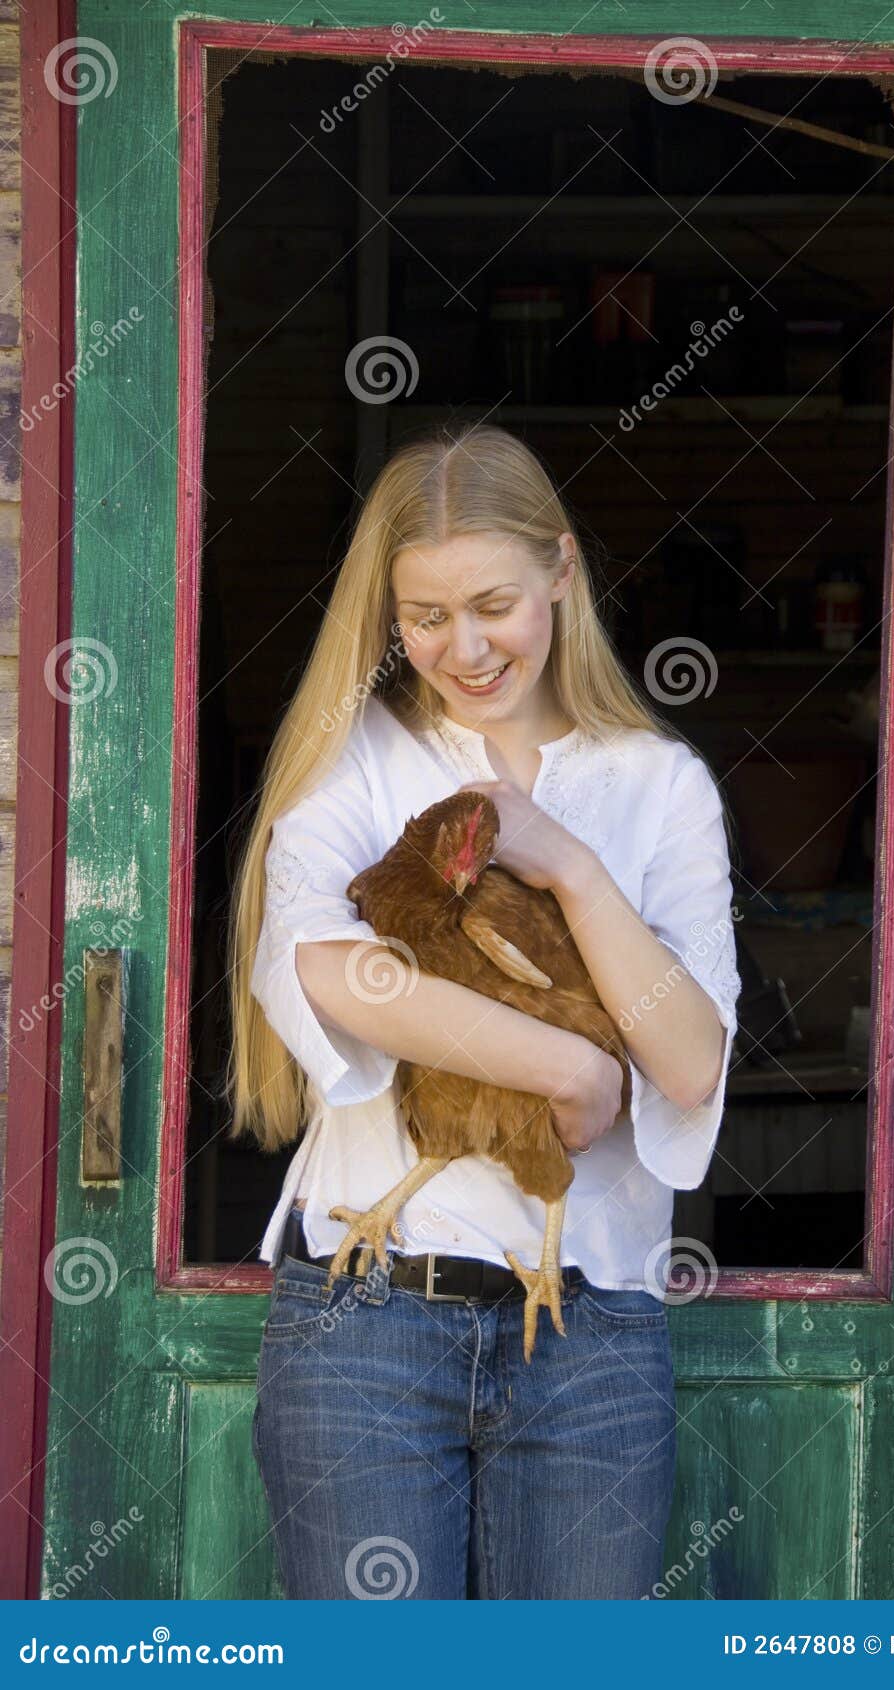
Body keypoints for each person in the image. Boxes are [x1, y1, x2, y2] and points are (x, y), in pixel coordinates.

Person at [228, 423, 742, 1601]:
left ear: (560, 569)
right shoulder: (354, 759)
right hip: (365, 1318)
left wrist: (569, 864)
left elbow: (688, 1060)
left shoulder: (657, 783)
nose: (462, 648)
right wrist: (571, 1069)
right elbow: (322, 966)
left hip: (588, 1333)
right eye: (424, 617)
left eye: (493, 605)